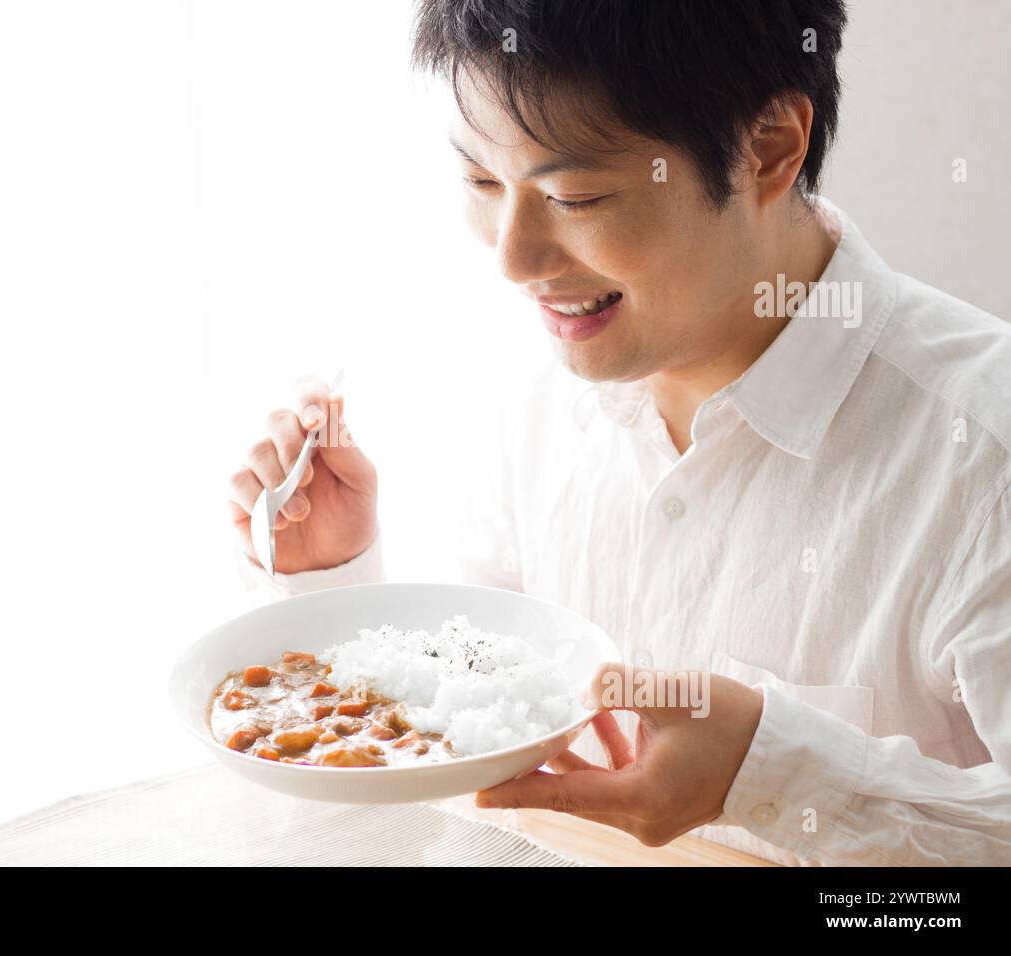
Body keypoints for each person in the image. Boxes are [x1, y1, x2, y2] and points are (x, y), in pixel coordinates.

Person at [224, 0, 1011, 866]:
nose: (513, 260)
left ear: (771, 148)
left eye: (576, 196)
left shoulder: (982, 452)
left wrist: (776, 771)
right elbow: (477, 746)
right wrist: (337, 586)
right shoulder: (539, 397)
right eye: (483, 182)